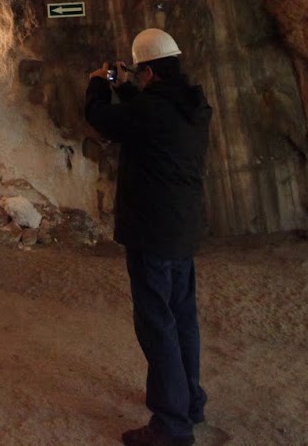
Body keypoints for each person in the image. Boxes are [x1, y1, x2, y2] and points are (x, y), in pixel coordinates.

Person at [85, 28, 214, 446]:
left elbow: (101, 118)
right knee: (182, 319)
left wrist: (100, 82)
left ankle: (171, 424)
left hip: (152, 232)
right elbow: (147, 117)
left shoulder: (152, 110)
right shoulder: (193, 105)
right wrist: (127, 87)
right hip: (181, 230)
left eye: (140, 74)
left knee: (156, 322)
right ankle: (190, 402)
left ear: (149, 73)